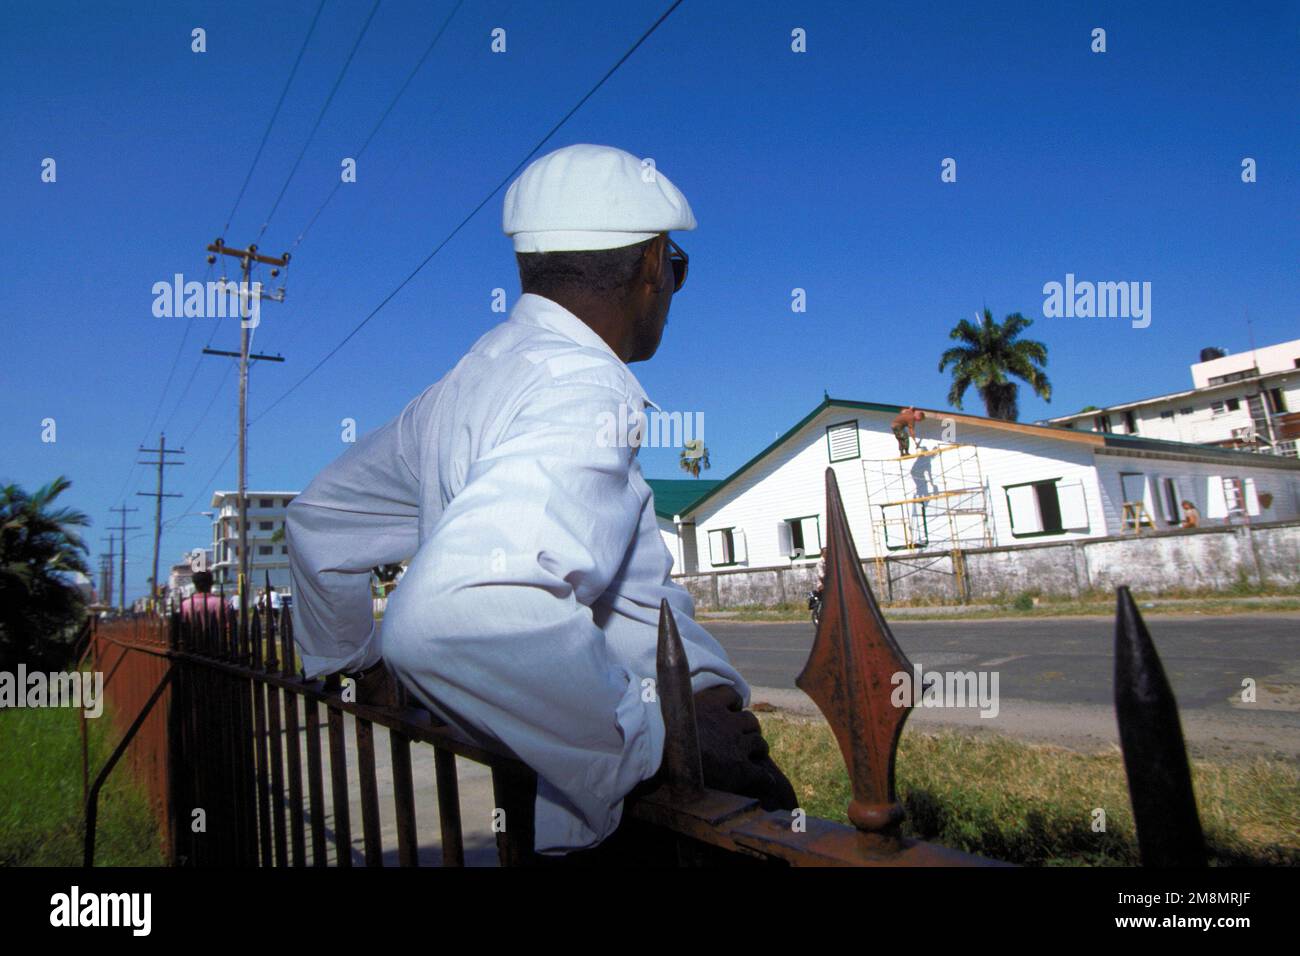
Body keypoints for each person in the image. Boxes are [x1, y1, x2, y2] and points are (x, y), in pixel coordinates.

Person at [287, 144, 795, 855]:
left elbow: (319, 522)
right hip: (668, 791)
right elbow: (449, 614)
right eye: (676, 269)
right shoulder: (582, 386)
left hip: (548, 784)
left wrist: (354, 665)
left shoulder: (460, 390)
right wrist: (657, 736)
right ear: (651, 265)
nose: (673, 290)